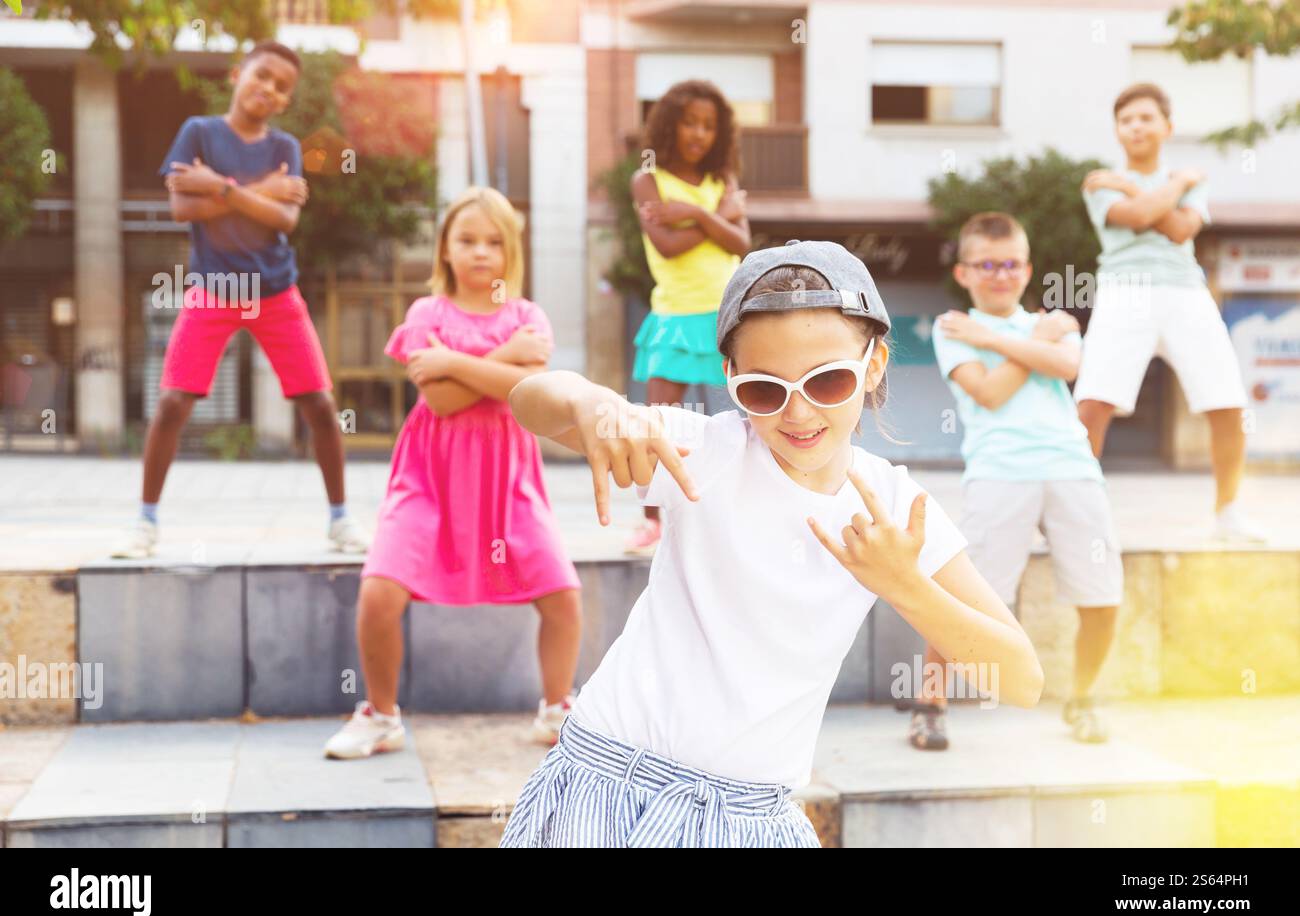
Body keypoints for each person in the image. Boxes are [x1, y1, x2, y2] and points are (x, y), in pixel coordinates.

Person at [499, 241, 1044, 848]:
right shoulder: (704, 451)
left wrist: (905, 587)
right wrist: (593, 402)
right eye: (765, 389)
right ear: (730, 377)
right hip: (610, 783)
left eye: (829, 380)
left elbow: (1021, 678)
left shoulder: (892, 506)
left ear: (874, 364)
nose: (798, 411)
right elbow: (529, 402)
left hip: (752, 818)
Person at [323, 187, 583, 758]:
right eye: (466, 240)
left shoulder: (527, 318)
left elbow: (524, 386)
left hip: (507, 481)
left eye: (494, 242)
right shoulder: (427, 314)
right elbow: (439, 401)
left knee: (563, 594)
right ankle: (382, 715)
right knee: (379, 593)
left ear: (511, 251)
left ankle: (557, 709)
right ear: (444, 248)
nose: (480, 252)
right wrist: (499, 359)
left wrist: (457, 363)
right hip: (428, 480)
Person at [112, 40, 367, 559]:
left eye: (281, 87)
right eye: (262, 76)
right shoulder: (199, 132)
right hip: (214, 289)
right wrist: (260, 191)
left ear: (285, 101)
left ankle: (340, 520)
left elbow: (284, 220)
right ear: (237, 74)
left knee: (320, 403)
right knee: (172, 402)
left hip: (275, 288)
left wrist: (222, 189)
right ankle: (145, 522)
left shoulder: (286, 148)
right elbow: (182, 206)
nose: (269, 89)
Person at [918, 212, 1122, 749]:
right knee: (966, 596)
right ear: (963, 272)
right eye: (986, 264)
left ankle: (1083, 699)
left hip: (1073, 469)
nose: (999, 275)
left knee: (1102, 595)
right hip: (1000, 471)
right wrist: (1031, 341)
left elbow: (1068, 369)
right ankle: (929, 704)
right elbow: (988, 393)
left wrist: (1003, 340)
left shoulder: (1059, 323)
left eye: (1010, 264)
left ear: (1027, 268)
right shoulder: (953, 328)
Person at [1076, 82, 1264, 542]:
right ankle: (1076, 519)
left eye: (1145, 118)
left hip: (1186, 292)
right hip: (1124, 290)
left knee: (1227, 402)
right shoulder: (1100, 182)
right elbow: (1139, 218)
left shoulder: (1189, 183)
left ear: (1167, 127)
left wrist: (1151, 190)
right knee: (1093, 403)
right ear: (1117, 131)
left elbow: (1180, 229)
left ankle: (1228, 513)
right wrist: (1174, 184)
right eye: (1126, 120)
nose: (1136, 127)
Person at [626, 79, 751, 556]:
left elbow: (741, 244)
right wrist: (717, 217)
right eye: (689, 123)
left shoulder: (725, 181)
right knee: (659, 424)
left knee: (742, 418)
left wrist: (695, 214)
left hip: (727, 315)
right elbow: (667, 246)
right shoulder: (648, 181)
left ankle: (736, 514)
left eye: (708, 126)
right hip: (676, 315)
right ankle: (653, 523)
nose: (699, 133)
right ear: (669, 124)